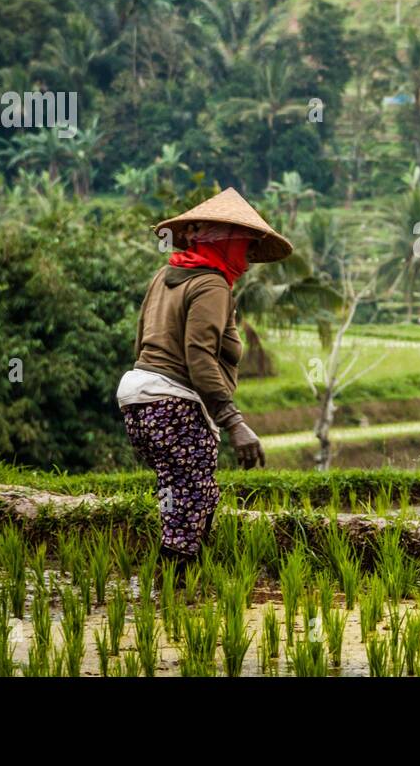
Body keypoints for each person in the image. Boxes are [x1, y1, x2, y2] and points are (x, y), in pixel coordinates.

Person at [116, 188, 292, 569]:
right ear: (226, 242)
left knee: (189, 494)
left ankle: (187, 578)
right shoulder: (211, 284)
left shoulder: (165, 275)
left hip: (138, 398)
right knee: (191, 498)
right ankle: (174, 588)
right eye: (244, 247)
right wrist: (235, 422)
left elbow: (140, 339)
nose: (246, 260)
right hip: (174, 404)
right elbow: (198, 356)